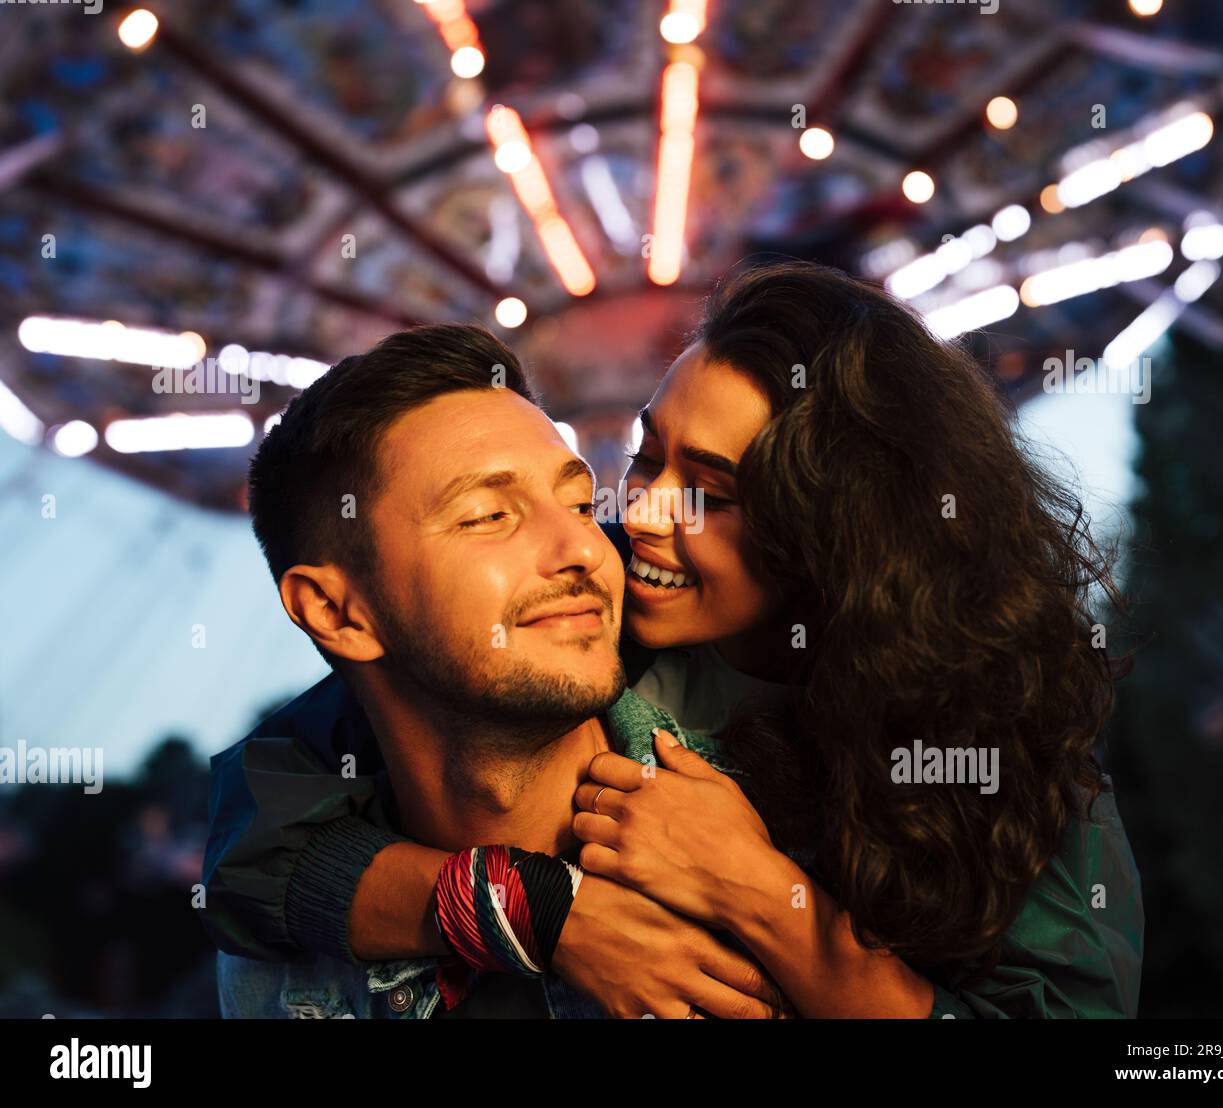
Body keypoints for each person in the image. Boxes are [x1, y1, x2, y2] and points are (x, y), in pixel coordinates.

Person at [206, 262, 1143, 1018]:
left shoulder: (996, 742)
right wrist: (544, 913)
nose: (631, 517)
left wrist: (762, 895)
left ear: (841, 539)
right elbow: (253, 831)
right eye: (644, 457)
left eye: (714, 492)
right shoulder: (580, 604)